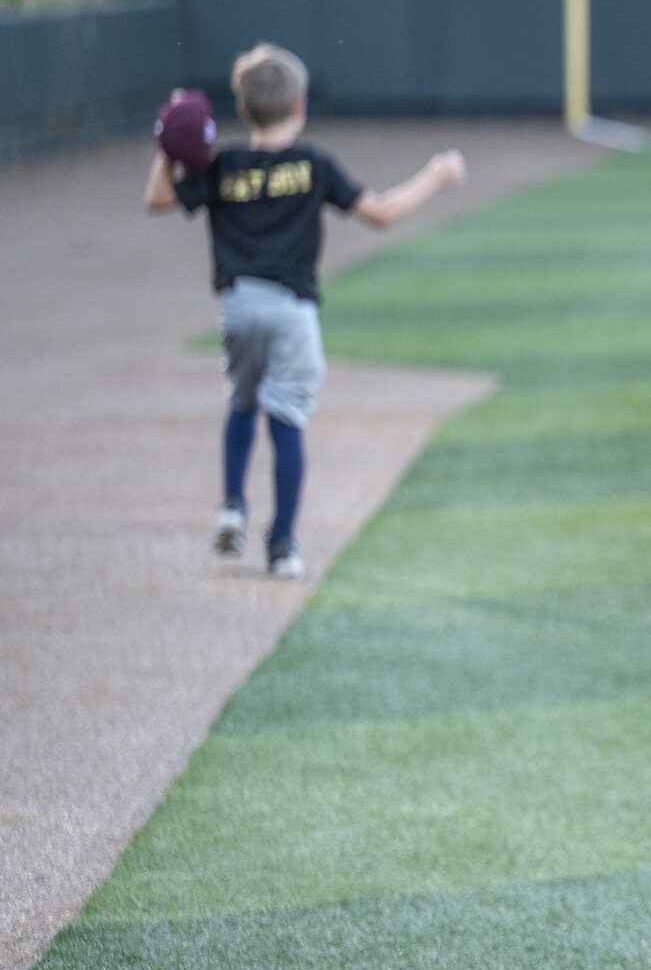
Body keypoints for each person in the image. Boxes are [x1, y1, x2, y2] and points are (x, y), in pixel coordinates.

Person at [145, 48, 466, 580]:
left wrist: (169, 144)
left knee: (242, 401)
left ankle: (231, 505)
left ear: (244, 112)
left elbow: (157, 200)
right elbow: (381, 214)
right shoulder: (314, 164)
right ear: (299, 106)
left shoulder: (223, 165)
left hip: (238, 307)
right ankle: (282, 545)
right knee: (288, 418)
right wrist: (436, 175)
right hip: (292, 312)